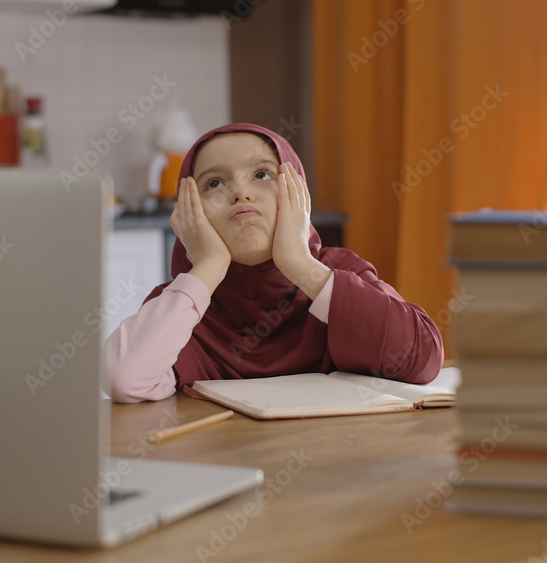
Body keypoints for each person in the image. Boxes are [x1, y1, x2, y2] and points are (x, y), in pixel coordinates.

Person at [107, 123, 443, 403]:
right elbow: (122, 377)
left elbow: (422, 360)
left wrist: (299, 262)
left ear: (298, 192)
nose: (241, 192)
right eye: (214, 183)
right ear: (187, 210)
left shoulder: (338, 273)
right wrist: (208, 266)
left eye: (262, 174)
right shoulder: (180, 309)